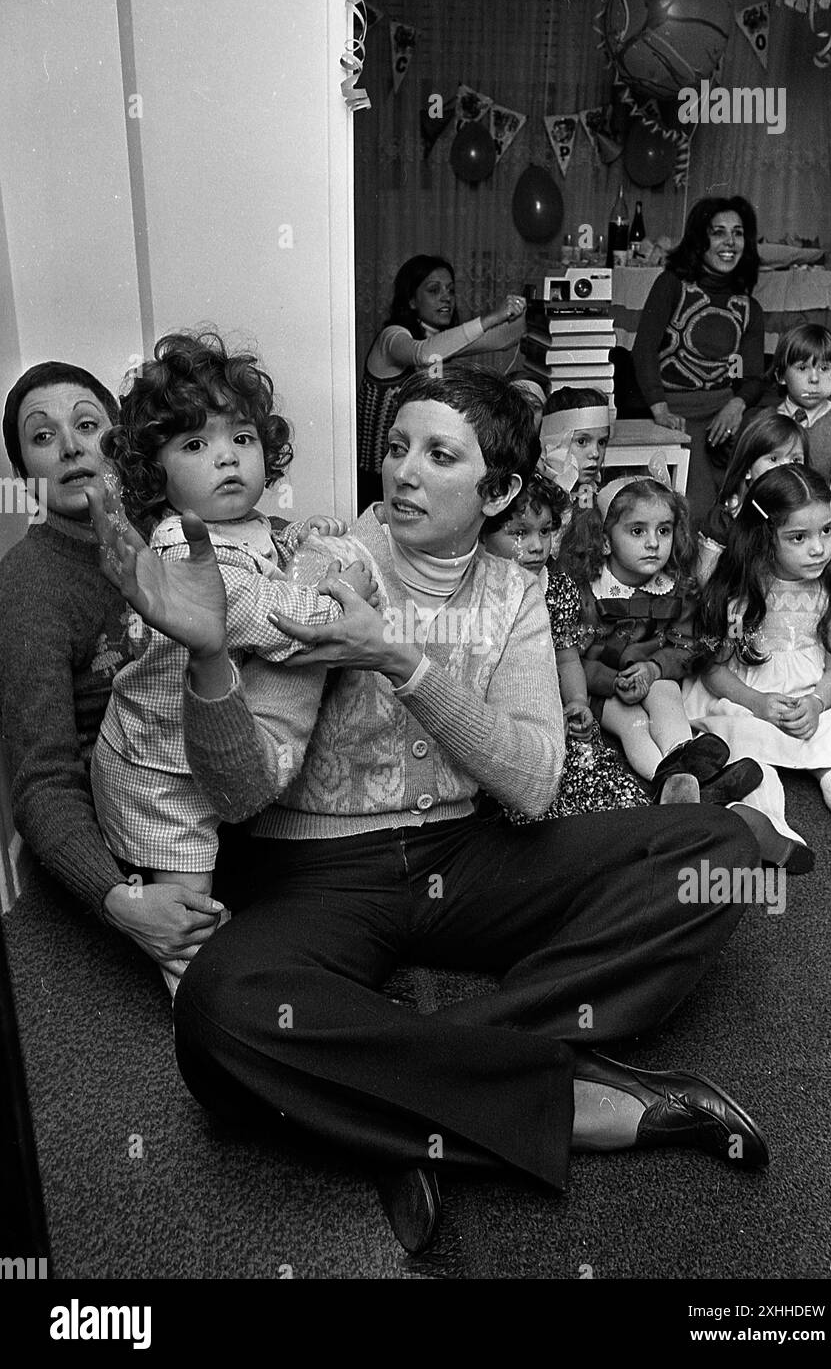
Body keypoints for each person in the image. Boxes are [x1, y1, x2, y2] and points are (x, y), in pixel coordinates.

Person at [87, 361, 768, 1258]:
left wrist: (401, 662)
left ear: (500, 492)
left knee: (721, 854)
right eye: (395, 447)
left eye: (437, 454)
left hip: (469, 852)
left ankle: (400, 1092)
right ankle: (566, 1099)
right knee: (215, 1013)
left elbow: (531, 785)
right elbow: (245, 792)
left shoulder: (514, 590)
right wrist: (213, 661)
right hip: (320, 871)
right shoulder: (328, 567)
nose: (403, 470)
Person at [91, 332, 376, 995]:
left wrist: (305, 539)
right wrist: (345, 602)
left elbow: (273, 552)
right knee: (187, 913)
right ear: (154, 472)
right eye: (194, 446)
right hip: (162, 774)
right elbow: (281, 623)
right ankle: (197, 1002)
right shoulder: (184, 547)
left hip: (205, 747)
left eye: (241, 439)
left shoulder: (248, 525)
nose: (227, 459)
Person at [0, 361, 225, 980]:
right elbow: (41, 779)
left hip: (218, 757)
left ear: (120, 442)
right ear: (25, 478)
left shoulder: (173, 528)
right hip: (136, 812)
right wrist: (121, 900)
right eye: (43, 437)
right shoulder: (25, 585)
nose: (71, 446)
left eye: (88, 425)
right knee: (211, 976)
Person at [685, 464, 831, 877]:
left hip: (812, 693)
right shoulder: (738, 591)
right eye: (798, 537)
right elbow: (713, 672)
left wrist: (817, 701)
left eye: (827, 531)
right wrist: (756, 703)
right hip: (750, 694)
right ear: (763, 536)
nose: (818, 549)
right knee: (749, 751)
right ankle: (772, 829)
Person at [556, 472, 761, 806]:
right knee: (633, 723)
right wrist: (614, 681)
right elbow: (571, 659)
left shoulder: (675, 585)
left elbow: (685, 643)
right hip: (604, 688)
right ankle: (667, 783)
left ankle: (686, 771)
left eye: (663, 530)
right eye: (638, 531)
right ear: (606, 541)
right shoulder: (589, 590)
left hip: (651, 677)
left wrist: (653, 669)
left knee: (666, 694)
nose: (653, 542)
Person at [481, 469, 649, 817]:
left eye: (545, 531)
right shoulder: (479, 595)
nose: (537, 545)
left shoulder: (554, 590)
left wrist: (576, 701)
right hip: (498, 718)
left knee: (593, 779)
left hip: (552, 713)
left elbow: (567, 658)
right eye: (519, 533)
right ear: (481, 536)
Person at [631, 196, 765, 527]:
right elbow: (644, 350)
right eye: (718, 232)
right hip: (673, 418)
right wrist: (660, 409)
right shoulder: (672, 285)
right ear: (699, 239)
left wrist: (736, 405)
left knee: (750, 504)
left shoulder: (749, 306)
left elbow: (752, 377)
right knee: (698, 510)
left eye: (738, 233)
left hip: (722, 420)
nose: (730, 242)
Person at [356, 255, 526, 509]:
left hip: (420, 471)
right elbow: (424, 353)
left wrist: (526, 309)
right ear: (412, 300)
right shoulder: (392, 337)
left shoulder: (442, 343)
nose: (446, 297)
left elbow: (504, 339)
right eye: (434, 290)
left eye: (451, 290)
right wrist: (492, 316)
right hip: (376, 476)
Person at [697, 413, 808, 583]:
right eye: (773, 458)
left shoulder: (809, 515)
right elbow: (705, 579)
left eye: (796, 460)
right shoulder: (726, 517)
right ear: (748, 469)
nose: (786, 467)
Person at [766, 325, 831, 506]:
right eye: (802, 368)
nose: (815, 378)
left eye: (824, 368)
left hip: (823, 529)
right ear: (780, 376)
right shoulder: (766, 421)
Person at [538, 387, 611, 513]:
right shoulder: (534, 501)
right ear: (554, 442)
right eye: (581, 441)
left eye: (601, 442)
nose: (595, 453)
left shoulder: (596, 498)